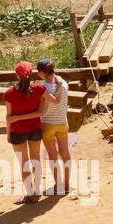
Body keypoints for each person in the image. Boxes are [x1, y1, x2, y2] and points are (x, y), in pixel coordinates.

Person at [3, 61, 45, 204]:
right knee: (36, 159)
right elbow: (41, 111)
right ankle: (38, 191)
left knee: (24, 163)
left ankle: (29, 193)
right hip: (35, 129)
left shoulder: (9, 93)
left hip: (18, 131)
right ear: (31, 73)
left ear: (16, 75)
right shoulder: (39, 89)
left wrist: (8, 134)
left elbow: (8, 117)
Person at [36, 58, 73, 197]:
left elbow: (44, 105)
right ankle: (67, 184)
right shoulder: (63, 83)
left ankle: (59, 185)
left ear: (41, 73)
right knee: (65, 154)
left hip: (47, 124)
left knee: (53, 156)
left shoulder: (43, 88)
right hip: (63, 123)